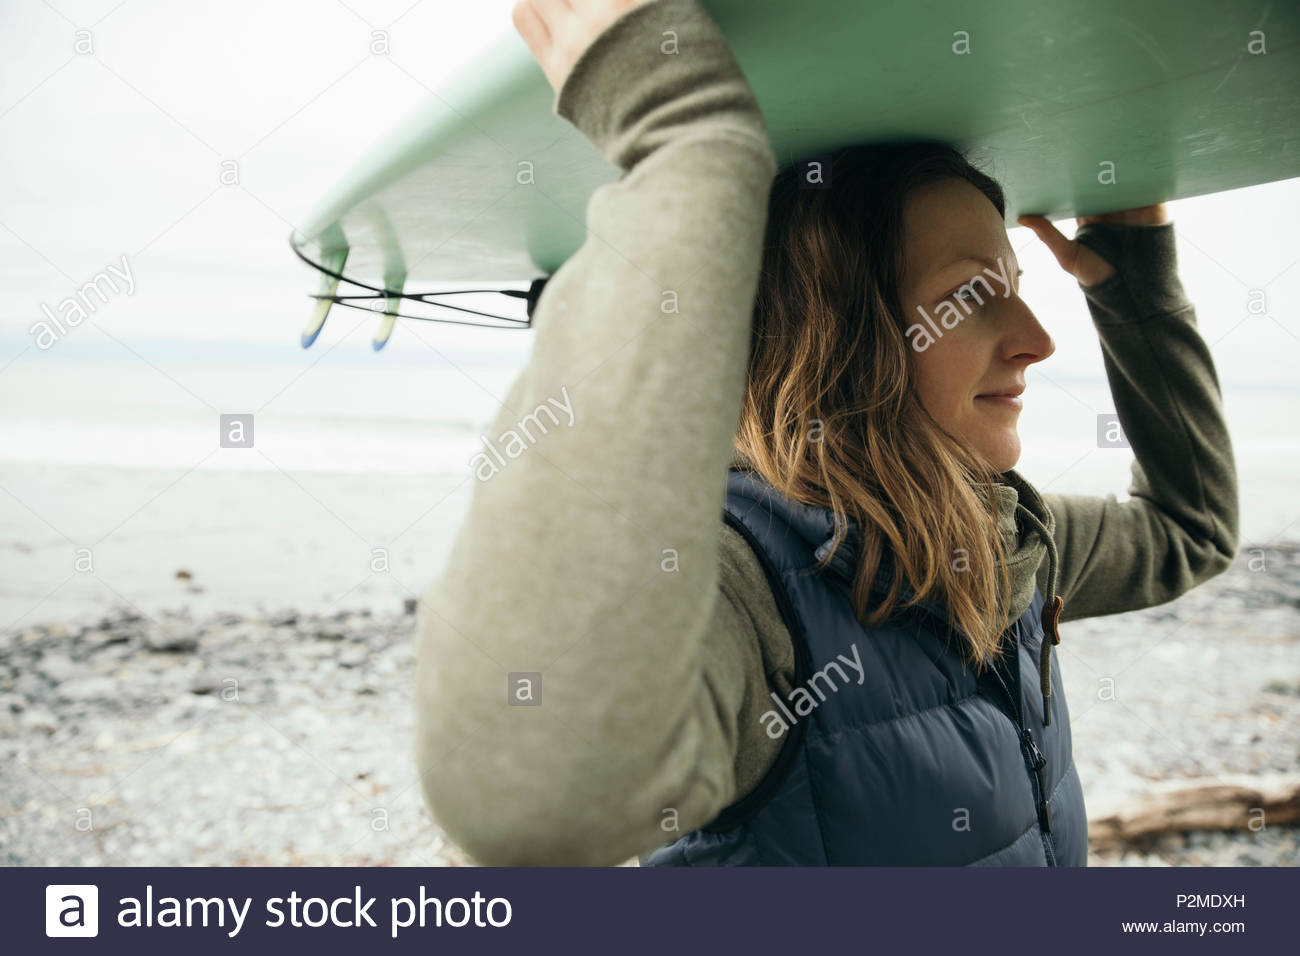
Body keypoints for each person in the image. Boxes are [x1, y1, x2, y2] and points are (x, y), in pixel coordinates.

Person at [414, 0, 1238, 866]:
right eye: (971, 291)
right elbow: (522, 802)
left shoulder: (1001, 537)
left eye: (1016, 282)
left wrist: (1136, 283)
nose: (1037, 337)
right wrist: (685, 162)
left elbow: (1191, 531)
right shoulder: (744, 590)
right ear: (839, 336)